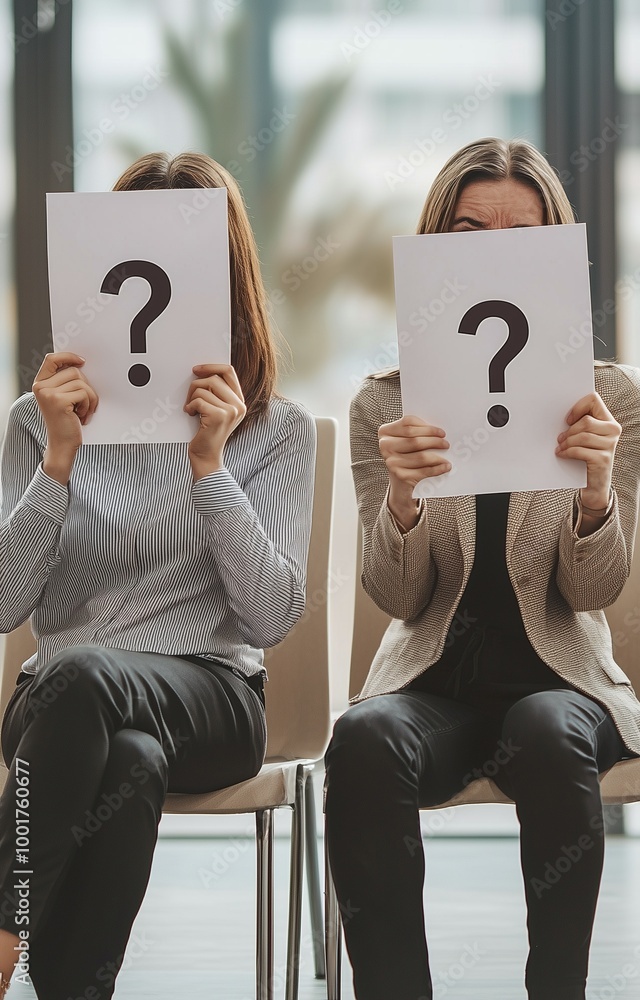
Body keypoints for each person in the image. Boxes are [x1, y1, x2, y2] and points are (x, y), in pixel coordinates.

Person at [326, 137, 640, 1000]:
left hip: (558, 679)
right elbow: (397, 597)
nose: (492, 254)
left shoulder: (609, 398)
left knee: (548, 732)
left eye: (520, 233)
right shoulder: (384, 405)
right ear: (434, 246)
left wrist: (593, 490)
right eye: (469, 230)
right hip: (435, 681)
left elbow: (593, 592)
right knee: (361, 736)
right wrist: (401, 499)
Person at [0, 152, 316, 999]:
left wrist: (210, 468)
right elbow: (3, 606)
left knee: (84, 676)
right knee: (128, 754)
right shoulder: (38, 420)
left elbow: (273, 616)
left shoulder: (275, 429)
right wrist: (57, 465)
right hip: (60, 707)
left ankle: (1, 927)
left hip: (211, 698)